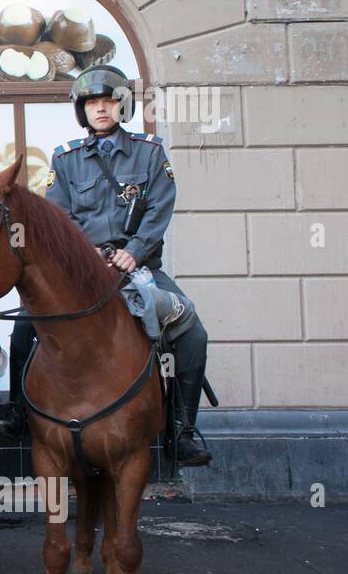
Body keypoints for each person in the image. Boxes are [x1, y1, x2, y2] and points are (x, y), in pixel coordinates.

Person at [11, 65, 211, 466]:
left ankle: (183, 431)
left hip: (139, 268)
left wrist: (133, 250)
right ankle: (18, 414)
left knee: (193, 334)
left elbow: (159, 208)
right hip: (83, 271)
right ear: (81, 111)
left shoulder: (150, 151)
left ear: (122, 105)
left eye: (107, 101)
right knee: (23, 327)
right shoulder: (65, 158)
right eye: (91, 103)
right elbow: (59, 218)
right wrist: (89, 255)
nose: (100, 109)